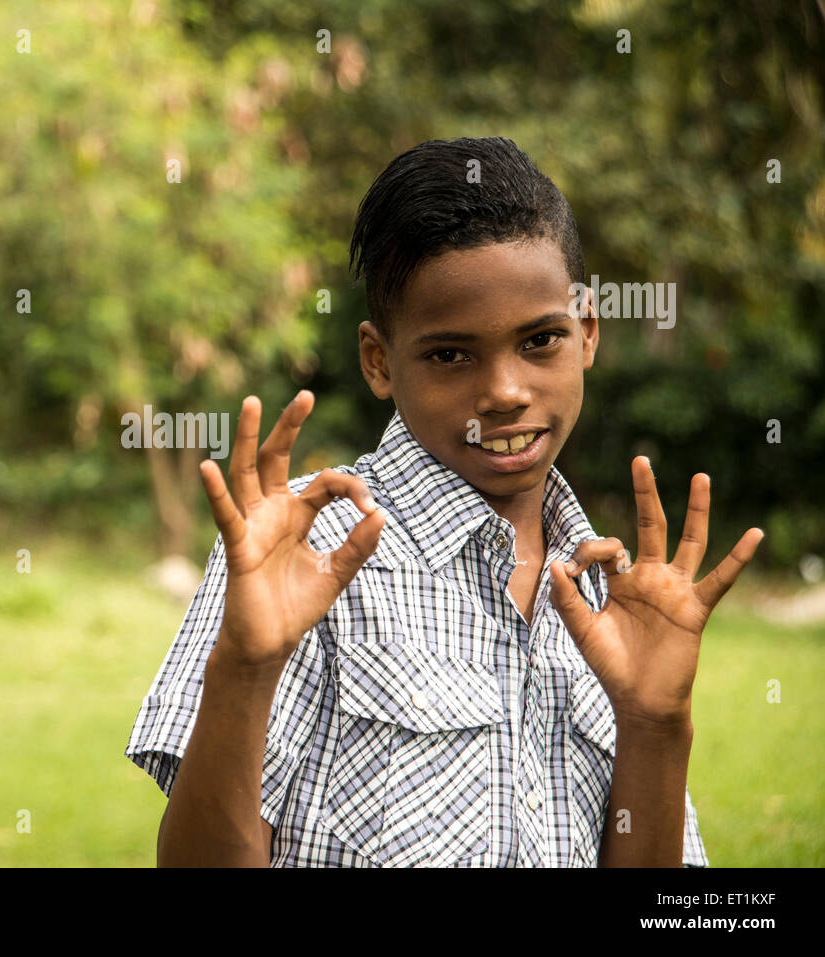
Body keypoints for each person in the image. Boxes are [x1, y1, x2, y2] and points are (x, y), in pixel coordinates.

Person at [124, 136, 764, 867]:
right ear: (378, 361)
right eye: (450, 355)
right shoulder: (303, 553)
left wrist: (654, 726)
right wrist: (244, 663)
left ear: (587, 332)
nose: (503, 391)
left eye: (540, 340)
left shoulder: (609, 593)